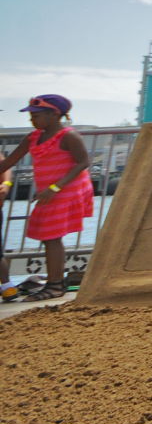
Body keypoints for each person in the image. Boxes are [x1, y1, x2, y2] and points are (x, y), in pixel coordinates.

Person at [0, 94, 94, 301]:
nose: (32, 119)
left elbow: (83, 162)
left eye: (36, 115)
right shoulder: (33, 137)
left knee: (51, 236)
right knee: (47, 235)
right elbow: (9, 161)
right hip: (49, 192)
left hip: (67, 189)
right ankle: (54, 282)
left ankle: (55, 285)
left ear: (54, 114)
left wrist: (55, 188)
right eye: (31, 116)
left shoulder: (68, 136)